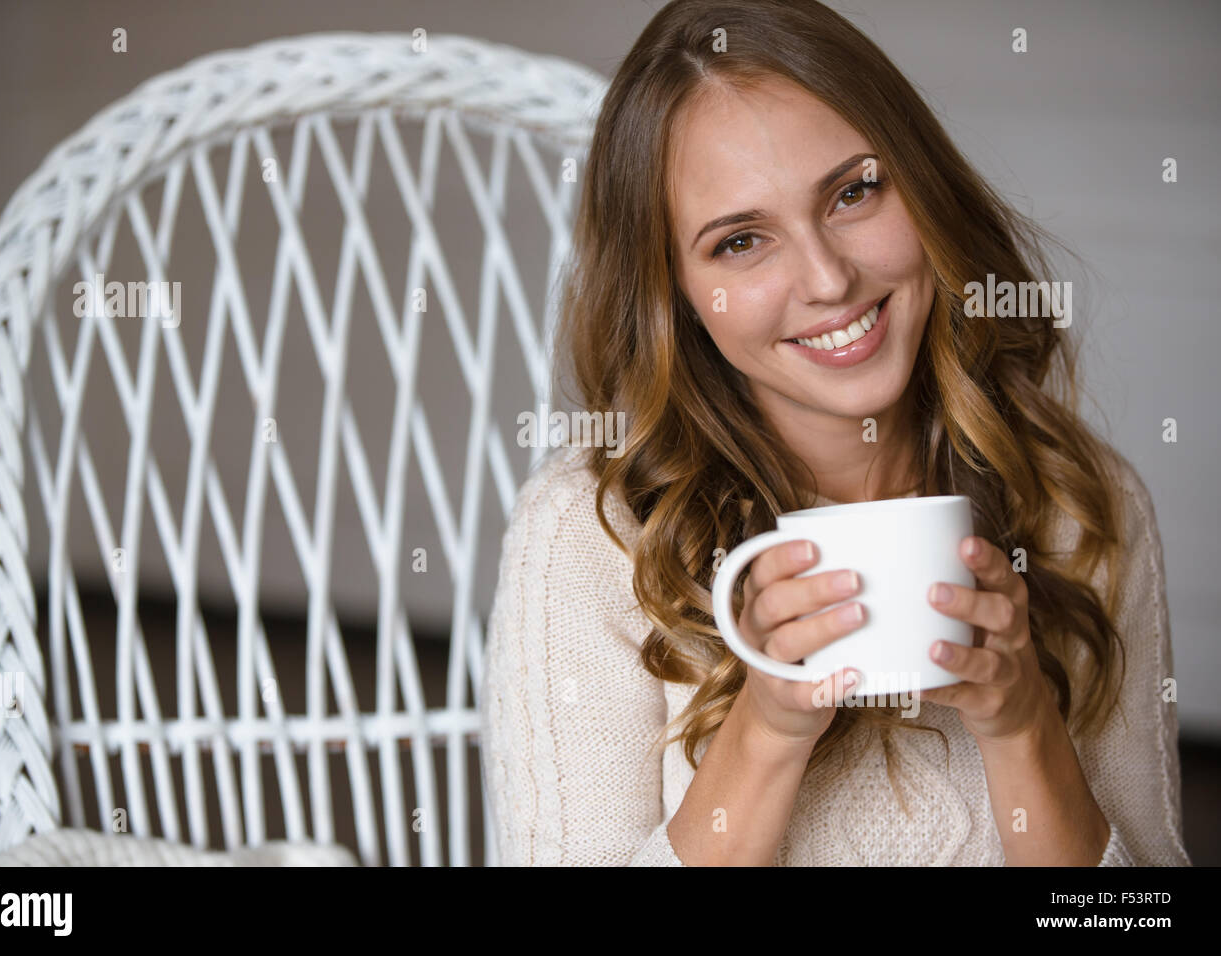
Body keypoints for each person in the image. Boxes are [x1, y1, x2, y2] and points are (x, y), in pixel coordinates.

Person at [478, 0, 1190, 866]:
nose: (828, 279)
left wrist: (1022, 724)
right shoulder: (592, 538)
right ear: (677, 298)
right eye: (742, 241)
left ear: (922, 184)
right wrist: (770, 728)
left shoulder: (1082, 503)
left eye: (854, 191)